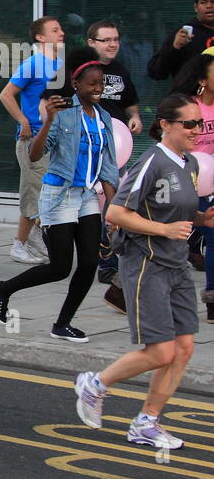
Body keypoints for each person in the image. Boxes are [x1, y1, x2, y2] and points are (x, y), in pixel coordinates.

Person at [73, 93, 212, 451]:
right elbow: (116, 214)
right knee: (161, 351)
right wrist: (165, 231)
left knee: (183, 349)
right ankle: (94, 383)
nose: (197, 130)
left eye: (200, 123)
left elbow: (170, 211)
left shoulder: (189, 164)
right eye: (189, 124)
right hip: (146, 264)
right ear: (165, 125)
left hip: (176, 265)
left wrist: (200, 219)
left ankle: (146, 422)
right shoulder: (151, 162)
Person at [0, 50, 118, 342]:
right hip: (58, 195)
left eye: (101, 84)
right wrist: (47, 121)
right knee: (60, 267)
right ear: (76, 84)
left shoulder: (104, 118)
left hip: (86, 196)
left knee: (89, 263)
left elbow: (109, 166)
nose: (97, 88)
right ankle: (3, 289)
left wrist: (114, 209)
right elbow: (35, 155)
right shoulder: (62, 113)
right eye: (91, 83)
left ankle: (62, 324)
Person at [0, 16, 64, 264]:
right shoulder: (33, 64)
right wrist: (22, 120)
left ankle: (36, 240)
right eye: (54, 30)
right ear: (40, 37)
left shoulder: (60, 65)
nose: (61, 33)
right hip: (33, 138)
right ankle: (19, 245)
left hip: (54, 138)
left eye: (61, 29)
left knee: (50, 193)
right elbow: (6, 95)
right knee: (32, 193)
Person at [87, 20, 140, 292]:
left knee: (114, 203)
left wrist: (134, 117)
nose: (112, 44)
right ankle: (100, 259)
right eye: (106, 39)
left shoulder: (120, 70)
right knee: (93, 204)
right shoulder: (83, 70)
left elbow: (129, 100)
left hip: (118, 145)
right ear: (91, 43)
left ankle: (108, 262)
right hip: (91, 145)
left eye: (116, 39)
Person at [169, 50, 214, 320]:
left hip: (210, 179)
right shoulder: (189, 107)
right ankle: (123, 289)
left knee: (212, 234)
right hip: (184, 179)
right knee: (171, 236)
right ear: (203, 80)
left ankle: (211, 298)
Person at [146, 0, 214, 84]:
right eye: (203, 2)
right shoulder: (183, 33)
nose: (209, 6)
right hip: (189, 97)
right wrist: (175, 47)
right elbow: (156, 72)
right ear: (196, 7)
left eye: (213, 2)